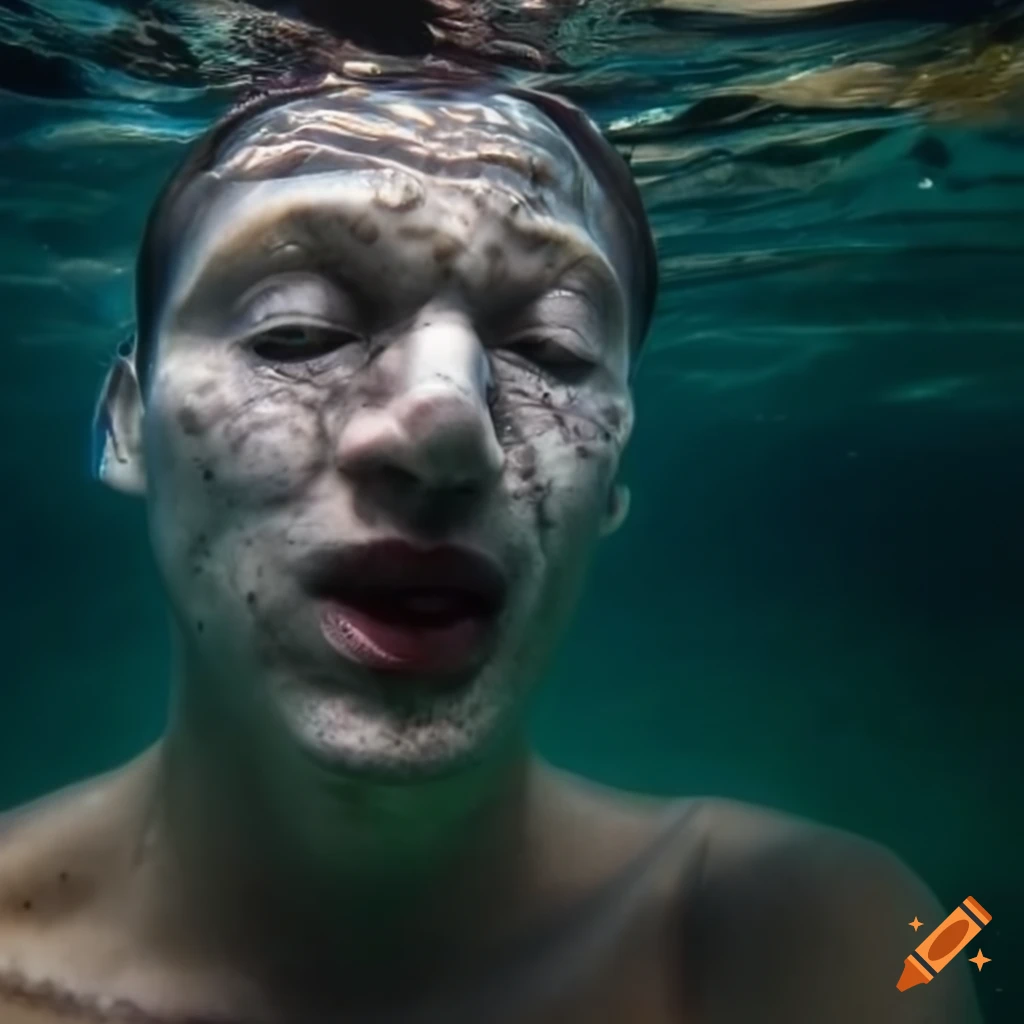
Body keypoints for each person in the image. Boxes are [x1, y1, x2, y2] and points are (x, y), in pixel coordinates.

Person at [0, 72, 984, 1024]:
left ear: (612, 484)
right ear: (128, 424)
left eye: (549, 351)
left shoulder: (838, 954)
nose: (445, 428)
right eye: (295, 330)